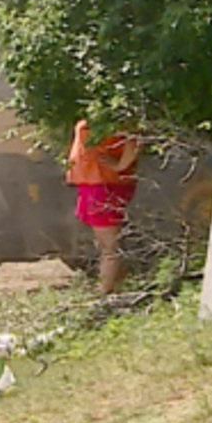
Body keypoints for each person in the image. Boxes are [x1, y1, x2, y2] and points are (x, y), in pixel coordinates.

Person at [66, 119, 141, 294]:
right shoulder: (97, 110)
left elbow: (133, 140)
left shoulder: (112, 112)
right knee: (104, 244)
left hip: (104, 183)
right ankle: (116, 287)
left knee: (109, 246)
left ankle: (104, 293)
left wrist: (120, 165)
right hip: (93, 183)